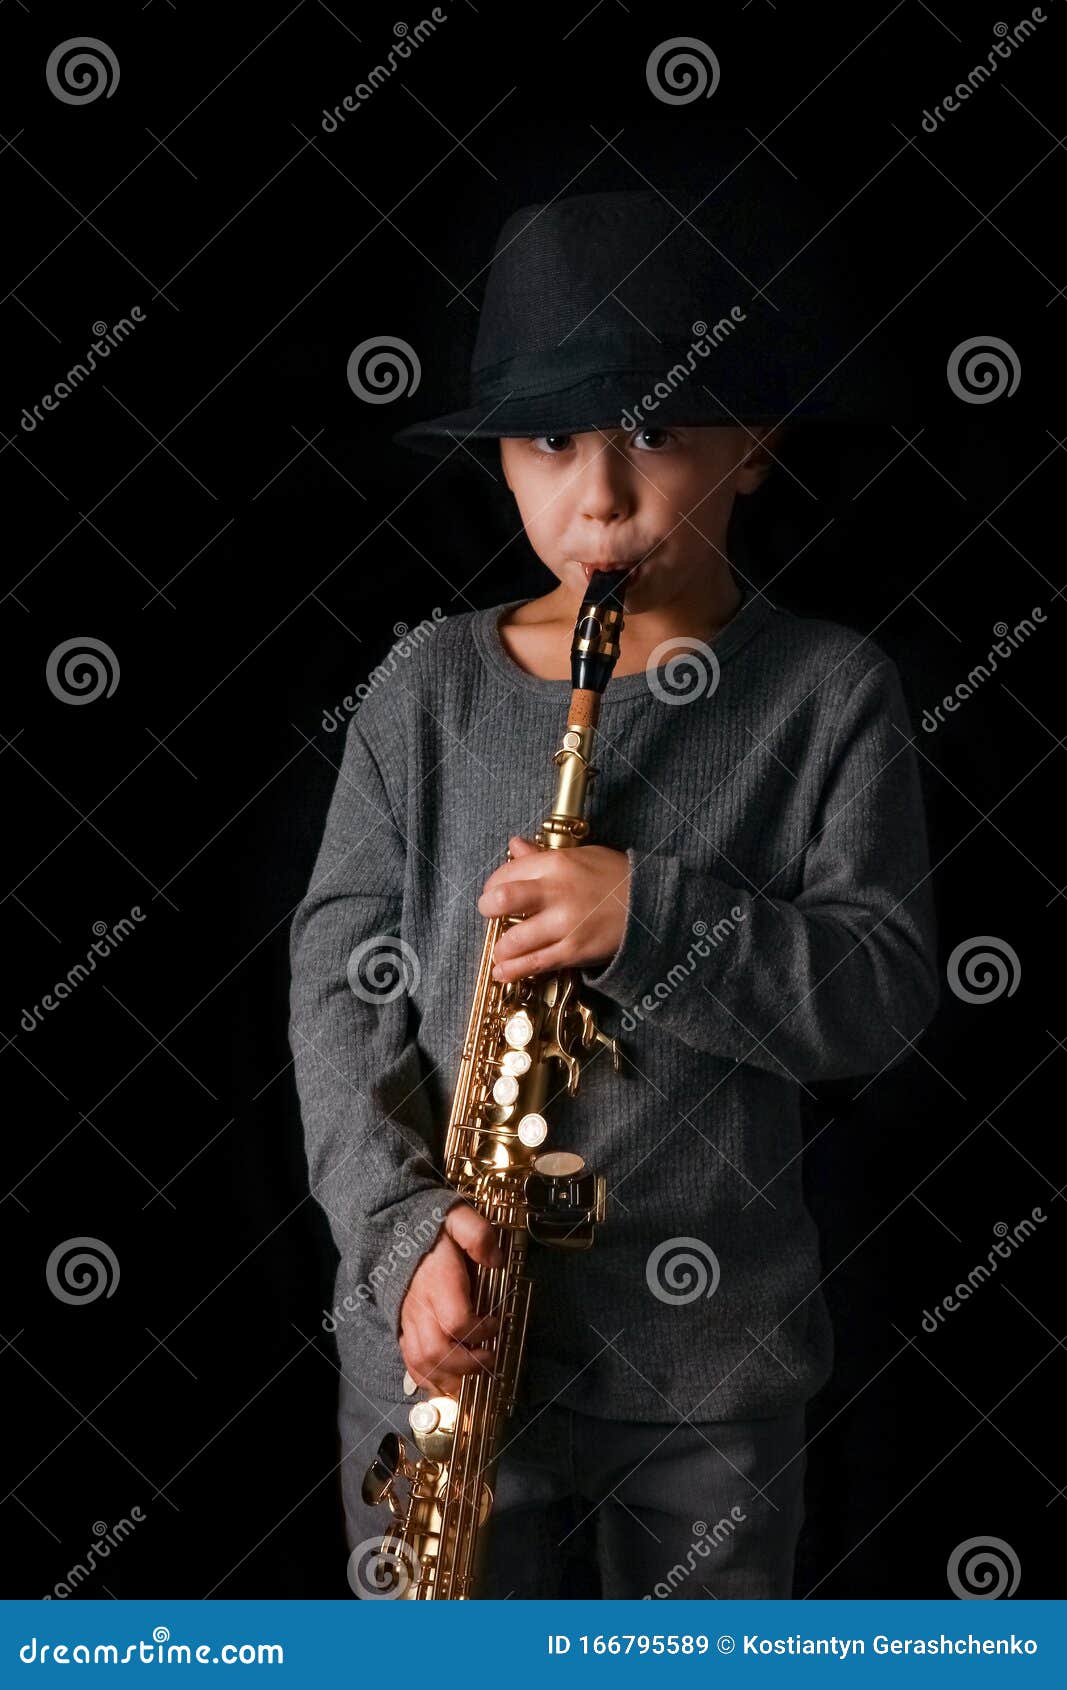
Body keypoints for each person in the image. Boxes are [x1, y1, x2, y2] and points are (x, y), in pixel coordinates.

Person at [288, 161, 939, 1600]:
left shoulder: (832, 693)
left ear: (756, 437)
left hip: (709, 1372)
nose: (600, 497)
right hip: (443, 1337)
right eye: (546, 440)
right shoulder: (424, 689)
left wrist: (651, 918)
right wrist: (406, 1243)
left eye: (653, 430)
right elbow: (337, 1005)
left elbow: (883, 998)